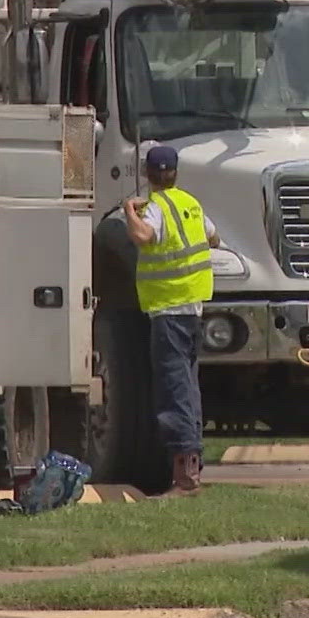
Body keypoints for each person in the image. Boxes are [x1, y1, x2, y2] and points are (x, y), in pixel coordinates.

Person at [122, 144, 218, 495]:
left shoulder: (155, 208)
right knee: (189, 388)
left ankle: (185, 474)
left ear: (147, 175)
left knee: (174, 389)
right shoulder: (190, 203)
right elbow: (214, 236)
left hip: (168, 311)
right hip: (194, 308)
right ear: (175, 173)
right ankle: (194, 464)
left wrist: (129, 212)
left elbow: (143, 236)